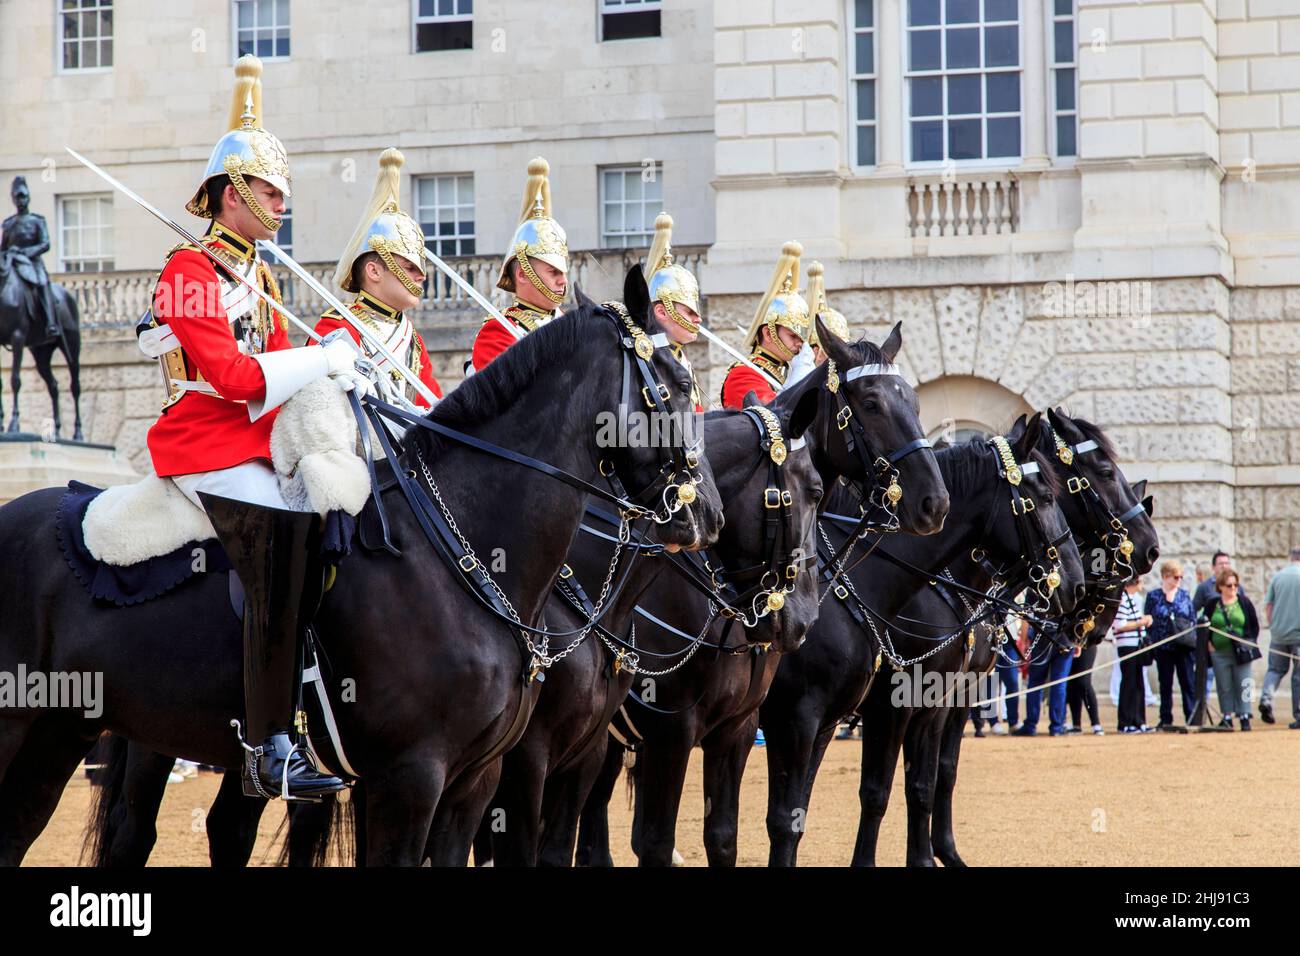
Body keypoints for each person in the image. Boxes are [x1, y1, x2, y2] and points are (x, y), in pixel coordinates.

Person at [140, 56, 365, 799]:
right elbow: (235, 381)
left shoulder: (260, 277)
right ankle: (269, 745)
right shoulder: (190, 270)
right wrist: (317, 356)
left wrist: (332, 372)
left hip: (254, 440)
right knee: (277, 543)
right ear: (232, 194)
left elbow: (272, 382)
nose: (281, 202)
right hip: (201, 439)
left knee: (329, 519)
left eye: (284, 190)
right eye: (270, 189)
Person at [315, 148, 442, 407]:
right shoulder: (339, 328)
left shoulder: (411, 336)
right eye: (409, 267)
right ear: (374, 271)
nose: (421, 276)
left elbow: (431, 404)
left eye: (420, 268)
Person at [469, 157, 568, 371]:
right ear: (523, 274)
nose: (563, 280)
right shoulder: (499, 331)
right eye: (553, 272)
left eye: (563, 271)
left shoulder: (572, 324)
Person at [719, 240, 809, 409]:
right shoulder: (744, 373)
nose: (800, 343)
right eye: (793, 336)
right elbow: (776, 419)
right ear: (768, 333)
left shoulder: (784, 372)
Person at [643, 212, 704, 411]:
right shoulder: (649, 359)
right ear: (661, 311)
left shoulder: (678, 356)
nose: (698, 319)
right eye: (689, 312)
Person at [1200, 567, 1261, 730]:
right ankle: (1227, 714)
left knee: (1245, 683)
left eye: (1235, 585)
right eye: (1229, 585)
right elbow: (1205, 625)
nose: (1233, 588)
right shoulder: (1213, 604)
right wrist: (1209, 644)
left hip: (1242, 651)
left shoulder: (1244, 602)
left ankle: (1245, 715)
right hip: (1220, 652)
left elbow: (1254, 625)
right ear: (1220, 586)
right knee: (1224, 685)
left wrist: (1250, 642)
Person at [0, 174, 60, 337]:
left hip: (33, 264)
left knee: (42, 283)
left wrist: (25, 252)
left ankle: (50, 322)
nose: (21, 201)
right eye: (18, 198)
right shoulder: (8, 223)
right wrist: (9, 253)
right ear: (13, 199)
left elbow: (45, 244)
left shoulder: (37, 221)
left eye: (23, 197)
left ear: (28, 197)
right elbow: (3, 248)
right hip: (13, 264)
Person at [1145, 559, 1198, 729]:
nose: (1178, 580)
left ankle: (1191, 716)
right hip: (1164, 647)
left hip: (1183, 647)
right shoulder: (1153, 596)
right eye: (1175, 577)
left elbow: (1192, 619)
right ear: (1165, 576)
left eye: (1180, 577)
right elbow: (1149, 620)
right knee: (1165, 684)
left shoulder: (1184, 595)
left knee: (1187, 683)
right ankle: (1165, 718)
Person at [1261, 547, 1300, 729]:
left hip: (1279, 634)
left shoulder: (1278, 576)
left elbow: (1269, 606)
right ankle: (1299, 714)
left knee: (1275, 670)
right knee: (1298, 676)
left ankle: (1266, 699)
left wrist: (1274, 626)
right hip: (1298, 635)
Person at [1113, 577, 1154, 733]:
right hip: (1127, 645)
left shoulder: (1131, 599)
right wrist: (1141, 622)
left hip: (1136, 645)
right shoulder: (1122, 599)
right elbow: (1119, 625)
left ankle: (1138, 720)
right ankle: (1125, 722)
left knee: (1138, 683)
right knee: (1129, 683)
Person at [1013, 629, 1073, 737]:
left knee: (1035, 683)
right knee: (1059, 684)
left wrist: (1023, 640)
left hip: (1042, 636)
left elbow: (1027, 616)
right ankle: (1057, 727)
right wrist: (1078, 641)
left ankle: (1031, 725)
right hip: (1066, 639)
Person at [1066, 637, 1104, 735]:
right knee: (1072, 684)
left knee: (1084, 683)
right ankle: (1076, 724)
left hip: (1087, 643)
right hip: (1069, 643)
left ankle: (1096, 724)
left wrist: (1078, 643)